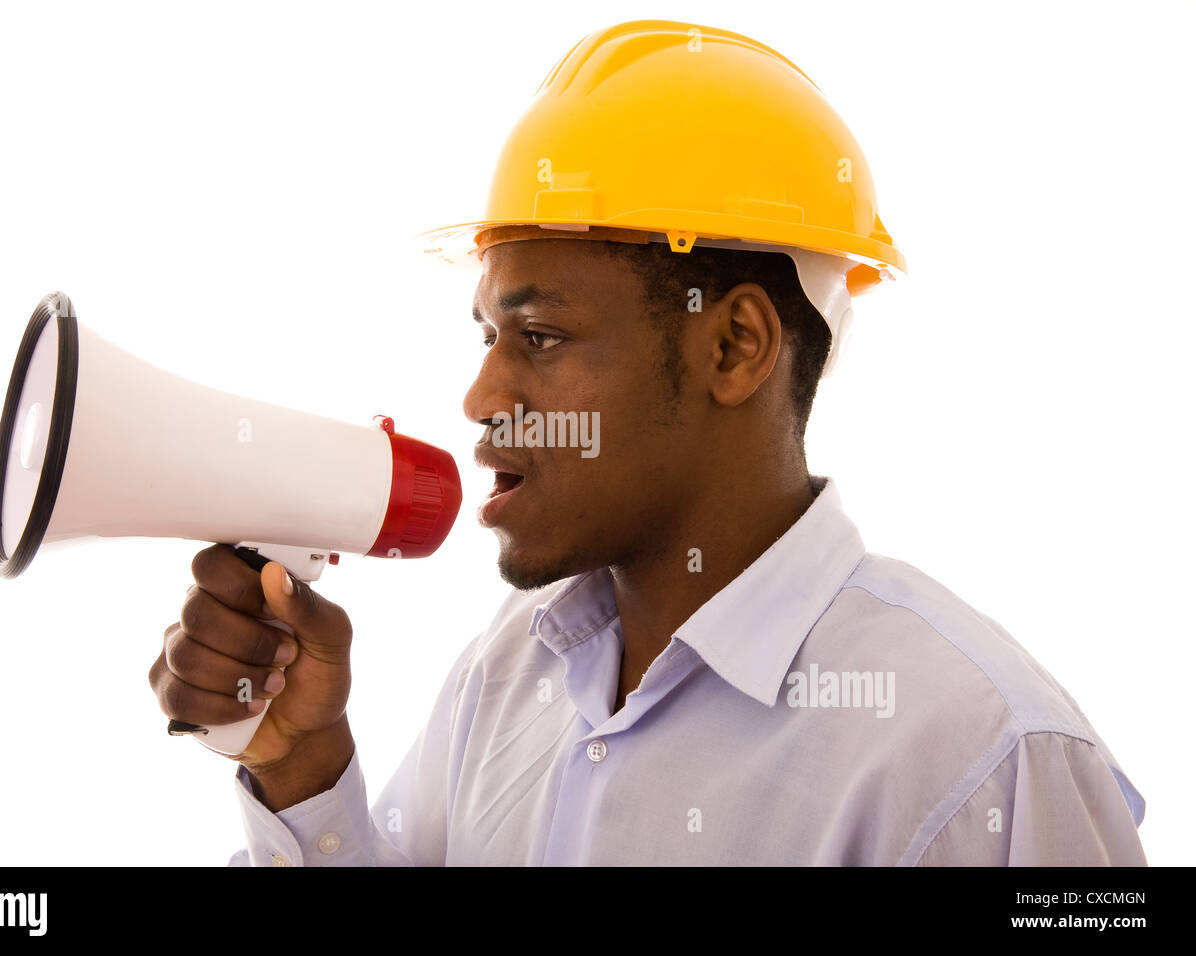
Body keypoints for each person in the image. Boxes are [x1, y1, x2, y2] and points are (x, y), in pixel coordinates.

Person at [149, 20, 1146, 865]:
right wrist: (299, 764)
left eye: (538, 336)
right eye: (488, 334)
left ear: (732, 343)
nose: (481, 393)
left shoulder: (987, 751)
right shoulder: (511, 672)